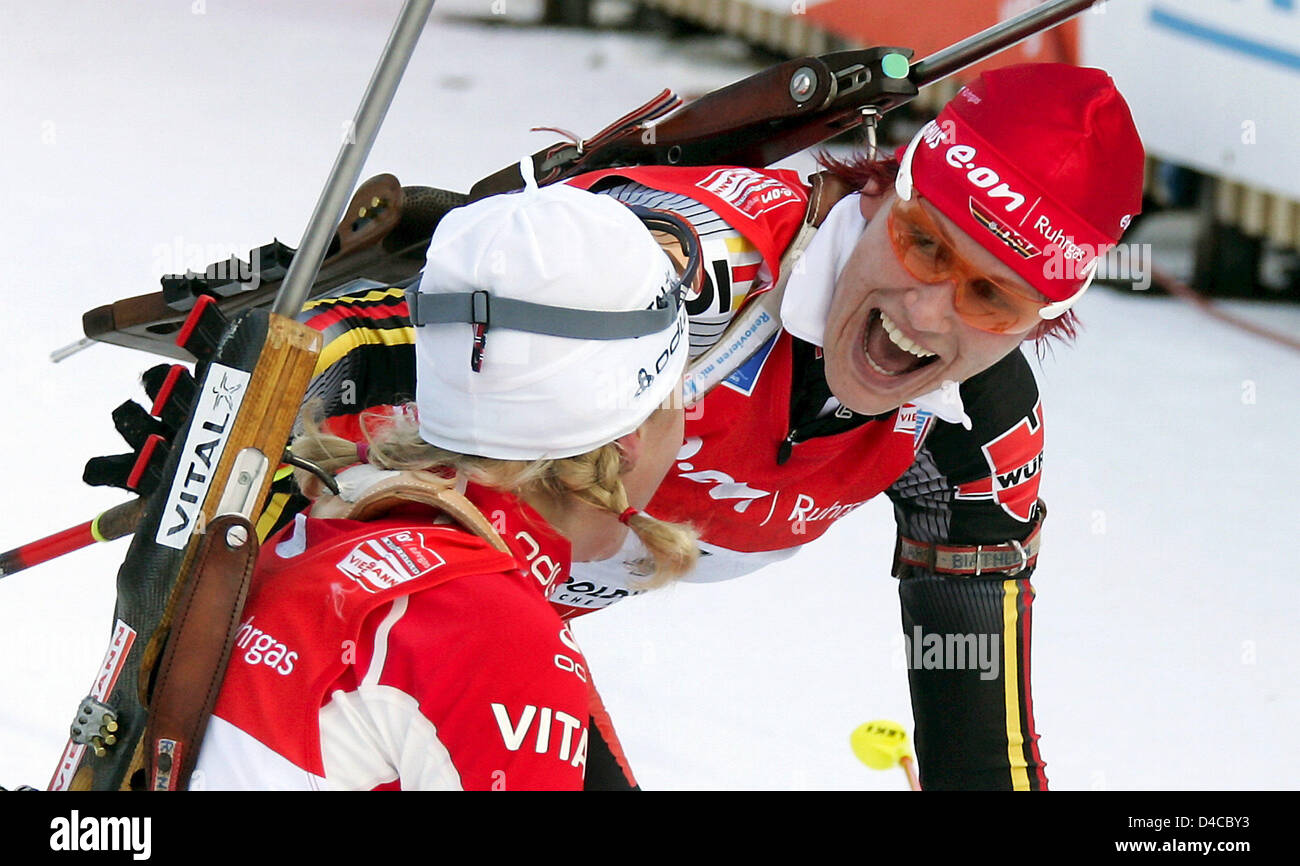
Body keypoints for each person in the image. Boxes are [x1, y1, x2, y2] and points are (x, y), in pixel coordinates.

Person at [259, 62, 1146, 790]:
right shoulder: (701, 277)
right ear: (879, 193)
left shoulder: (971, 440)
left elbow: (978, 749)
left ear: (1038, 323)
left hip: (496, 621)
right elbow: (375, 333)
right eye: (925, 246)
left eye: (990, 297)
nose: (926, 310)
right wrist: (249, 394)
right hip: (346, 556)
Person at [188, 171, 698, 790]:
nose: (691, 424)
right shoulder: (492, 632)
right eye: (683, 390)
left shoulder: (331, 522)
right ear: (625, 441)